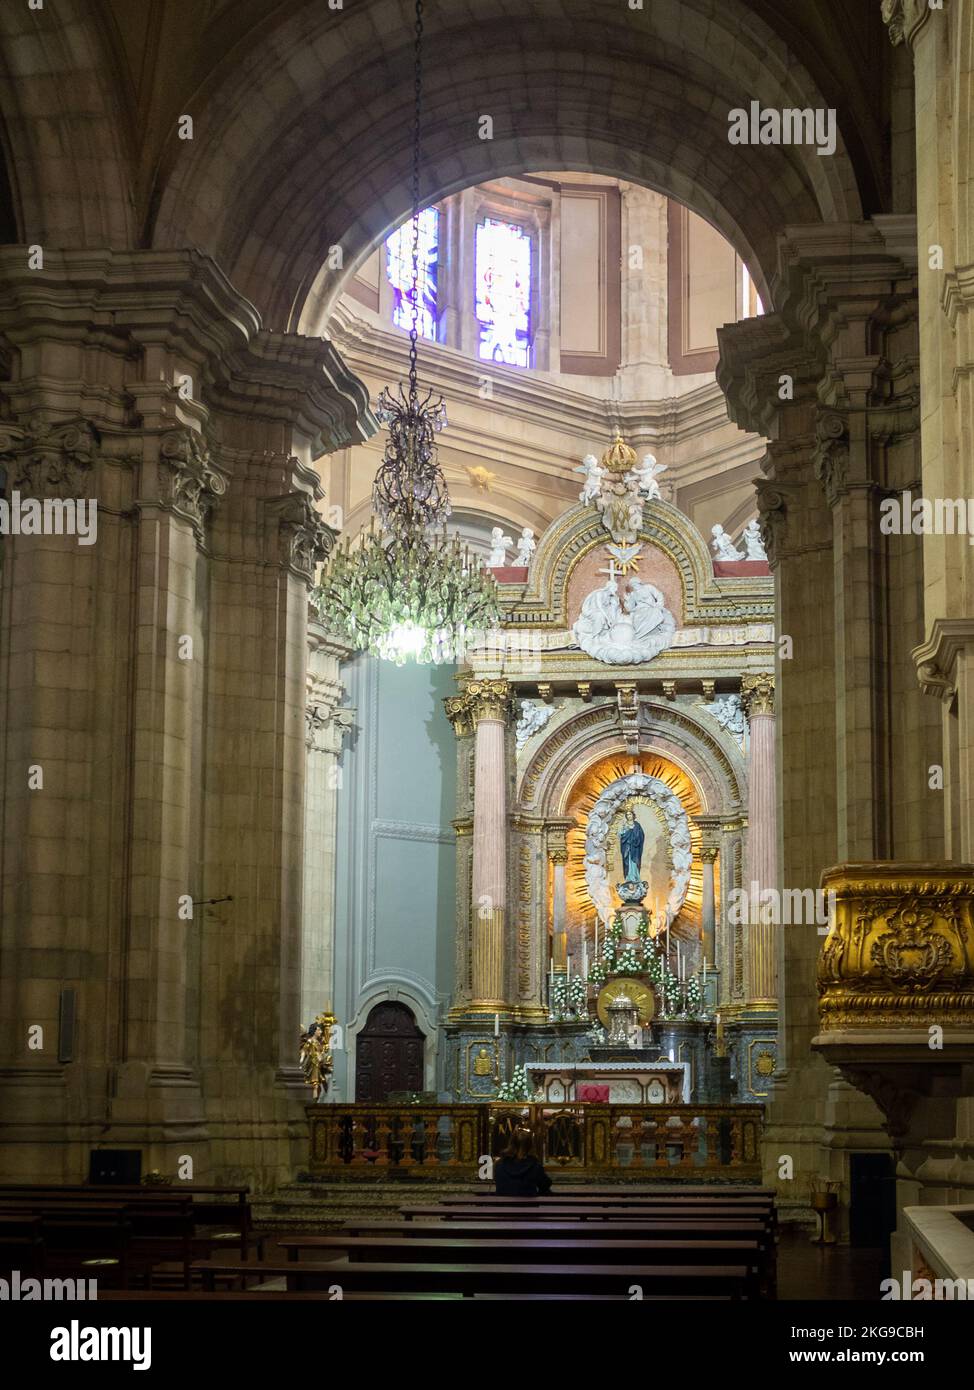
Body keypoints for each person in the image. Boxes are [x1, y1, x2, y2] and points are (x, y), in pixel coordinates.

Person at [493, 1128, 552, 1197]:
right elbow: (546, 1184)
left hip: (502, 1203)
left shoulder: (499, 1164)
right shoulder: (535, 1166)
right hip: (528, 1203)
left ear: (511, 1143)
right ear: (530, 1145)